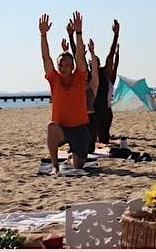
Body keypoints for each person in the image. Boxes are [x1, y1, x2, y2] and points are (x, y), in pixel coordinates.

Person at [39, 10, 91, 174]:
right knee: (51, 127)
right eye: (60, 65)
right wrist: (43, 35)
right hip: (62, 129)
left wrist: (78, 33)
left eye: (67, 65)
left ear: (72, 66)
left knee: (78, 166)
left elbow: (80, 56)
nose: (63, 68)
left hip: (80, 129)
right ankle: (55, 166)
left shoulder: (79, 76)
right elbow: (46, 58)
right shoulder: (54, 79)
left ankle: (73, 155)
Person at [92, 19, 120, 144]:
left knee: (104, 139)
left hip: (105, 111)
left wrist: (116, 35)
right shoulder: (88, 76)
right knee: (94, 141)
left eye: (95, 62)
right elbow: (78, 57)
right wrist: (72, 36)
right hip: (92, 111)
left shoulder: (104, 72)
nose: (93, 64)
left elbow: (111, 56)